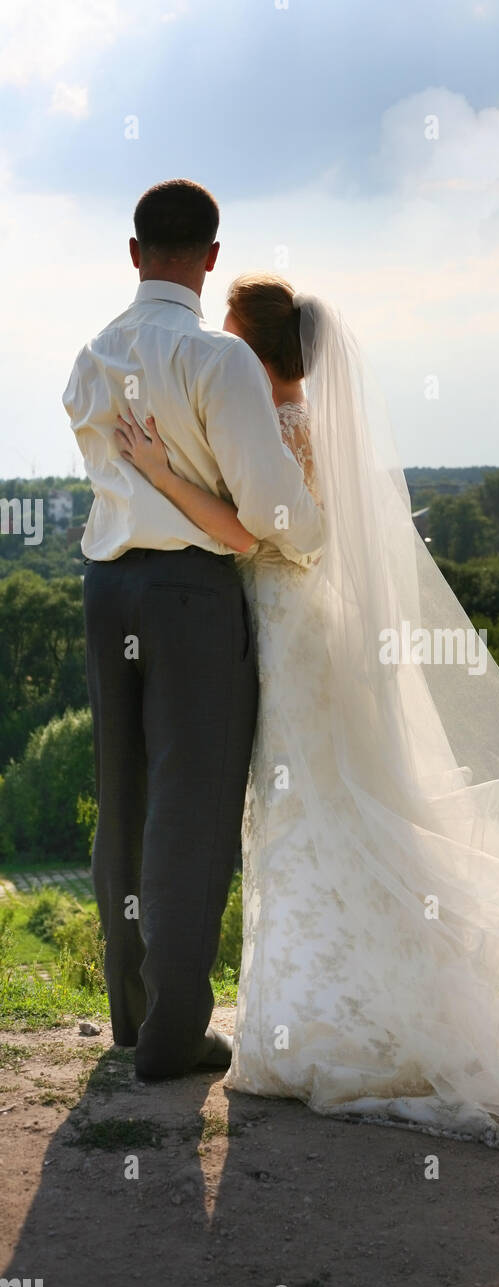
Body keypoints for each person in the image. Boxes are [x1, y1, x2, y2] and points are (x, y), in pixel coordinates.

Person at [115, 273, 499, 1147]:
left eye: (228, 333)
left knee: (305, 810)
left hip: (292, 634)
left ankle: (316, 1022)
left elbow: (247, 529)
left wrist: (156, 469)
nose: (219, 347)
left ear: (255, 349)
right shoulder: (308, 425)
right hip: (307, 634)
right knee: (316, 806)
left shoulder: (284, 427)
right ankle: (341, 1005)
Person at [63, 182, 324, 1081]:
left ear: (134, 253)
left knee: (124, 799)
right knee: (194, 806)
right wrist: (316, 538)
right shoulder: (219, 361)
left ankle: (133, 1021)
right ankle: (176, 1035)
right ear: (211, 259)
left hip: (107, 589)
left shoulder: (94, 356)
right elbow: (270, 507)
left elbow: (106, 464)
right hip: (191, 595)